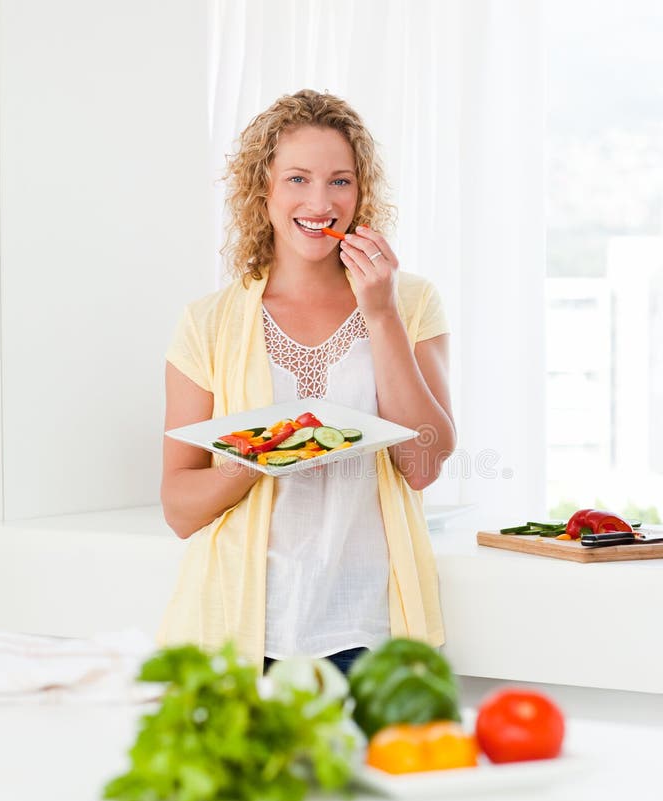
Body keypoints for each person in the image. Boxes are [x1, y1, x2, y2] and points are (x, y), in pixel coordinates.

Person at [158, 89, 456, 675]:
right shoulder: (207, 323)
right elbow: (179, 509)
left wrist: (381, 314)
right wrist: (261, 455)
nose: (320, 202)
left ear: (361, 192)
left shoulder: (411, 301)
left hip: (371, 630)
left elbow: (423, 463)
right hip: (239, 633)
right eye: (297, 179)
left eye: (340, 181)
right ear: (262, 188)